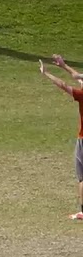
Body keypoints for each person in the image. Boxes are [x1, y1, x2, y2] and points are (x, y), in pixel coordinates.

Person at [40, 56, 83, 220]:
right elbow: (77, 77)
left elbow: (65, 85)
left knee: (82, 177)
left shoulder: (81, 95)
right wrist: (64, 66)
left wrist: (47, 73)